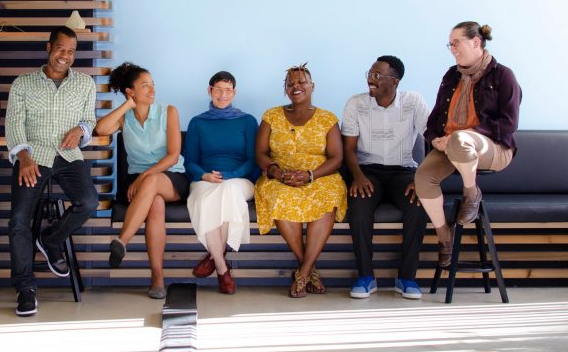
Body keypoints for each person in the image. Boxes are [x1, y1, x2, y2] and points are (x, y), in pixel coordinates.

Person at [5, 25, 99, 317]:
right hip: (34, 156)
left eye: (71, 51)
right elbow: (13, 124)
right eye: (60, 49)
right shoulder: (23, 83)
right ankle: (25, 289)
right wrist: (23, 155)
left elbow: (90, 120)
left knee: (89, 202)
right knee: (19, 221)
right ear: (48, 48)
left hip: (68, 156)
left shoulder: (85, 83)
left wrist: (81, 130)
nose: (65, 56)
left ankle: (50, 239)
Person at [416, 22, 522, 269]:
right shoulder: (451, 75)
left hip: (493, 148)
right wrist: (435, 139)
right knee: (422, 176)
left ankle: (471, 193)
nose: (452, 48)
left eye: (456, 43)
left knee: (461, 139)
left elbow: (508, 124)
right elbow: (434, 120)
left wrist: (462, 135)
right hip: (451, 146)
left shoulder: (503, 75)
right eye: (449, 44)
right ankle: (445, 238)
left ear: (476, 42)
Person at [95, 62, 188, 300]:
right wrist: (127, 105)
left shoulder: (169, 111)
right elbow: (101, 129)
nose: (152, 89)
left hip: (172, 177)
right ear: (130, 91)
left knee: (153, 184)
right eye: (144, 85)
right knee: (154, 205)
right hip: (142, 183)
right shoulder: (125, 118)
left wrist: (146, 176)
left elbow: (173, 156)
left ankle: (121, 241)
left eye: (152, 84)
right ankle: (157, 279)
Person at [254, 64, 347, 298]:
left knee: (327, 198)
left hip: (320, 176)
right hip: (280, 175)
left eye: (302, 82)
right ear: (285, 90)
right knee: (281, 197)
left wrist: (310, 175)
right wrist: (276, 172)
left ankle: (303, 272)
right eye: (291, 84)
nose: (296, 87)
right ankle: (309, 269)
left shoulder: (327, 119)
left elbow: (336, 158)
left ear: (312, 86)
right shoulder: (271, 116)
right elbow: (260, 153)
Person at [342, 56, 430, 300]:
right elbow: (348, 149)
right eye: (370, 73)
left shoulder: (413, 101)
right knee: (358, 205)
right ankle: (365, 276)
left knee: (419, 202)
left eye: (378, 74)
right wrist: (357, 176)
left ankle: (407, 277)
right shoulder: (355, 103)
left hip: (402, 170)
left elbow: (435, 139)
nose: (371, 78)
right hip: (367, 170)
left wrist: (422, 177)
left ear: (394, 80)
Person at [184, 71, 258, 295]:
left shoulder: (247, 121)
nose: (223, 95)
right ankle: (222, 268)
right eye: (218, 89)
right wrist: (204, 175)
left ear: (234, 93)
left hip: (239, 180)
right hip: (205, 179)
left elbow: (253, 159)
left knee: (226, 191)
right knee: (209, 197)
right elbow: (190, 161)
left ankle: (214, 258)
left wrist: (231, 174)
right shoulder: (197, 123)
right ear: (210, 91)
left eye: (228, 90)